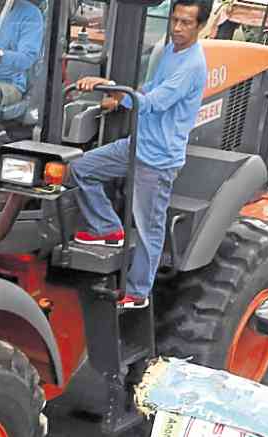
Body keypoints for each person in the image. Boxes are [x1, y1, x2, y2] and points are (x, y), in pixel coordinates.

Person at [67, 0, 211, 310]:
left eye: (186, 22)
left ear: (201, 27)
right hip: (137, 143)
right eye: (175, 20)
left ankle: (138, 292)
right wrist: (117, 100)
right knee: (82, 168)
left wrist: (112, 88)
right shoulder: (170, 51)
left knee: (148, 228)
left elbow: (154, 102)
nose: (177, 28)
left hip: (158, 159)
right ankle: (107, 228)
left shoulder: (192, 66)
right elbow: (149, 86)